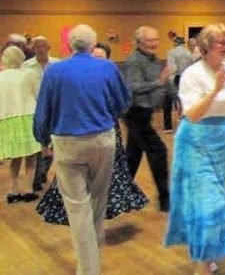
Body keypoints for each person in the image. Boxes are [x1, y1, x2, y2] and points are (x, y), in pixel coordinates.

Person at [34, 24, 131, 275]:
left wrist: (42, 140)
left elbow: (43, 110)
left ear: (69, 46)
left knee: (77, 206)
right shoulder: (107, 67)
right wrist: (106, 114)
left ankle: (88, 267)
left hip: (67, 143)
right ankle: (93, 251)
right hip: (102, 139)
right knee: (98, 197)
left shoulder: (54, 71)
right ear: (92, 44)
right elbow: (123, 101)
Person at [164, 24, 225, 275]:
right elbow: (191, 114)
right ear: (205, 47)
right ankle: (201, 266)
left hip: (223, 139)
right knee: (207, 205)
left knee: (222, 203)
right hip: (196, 142)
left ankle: (207, 255)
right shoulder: (193, 74)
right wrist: (216, 89)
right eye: (221, 43)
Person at [36, 42, 149, 225]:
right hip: (77, 132)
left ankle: (103, 209)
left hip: (106, 129)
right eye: (94, 55)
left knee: (111, 171)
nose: (95, 60)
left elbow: (122, 101)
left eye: (100, 57)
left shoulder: (110, 76)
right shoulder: (74, 77)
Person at [122, 26, 171, 211]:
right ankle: (165, 199)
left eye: (156, 39)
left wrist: (176, 95)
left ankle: (121, 195)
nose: (154, 44)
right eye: (150, 41)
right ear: (139, 42)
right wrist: (158, 82)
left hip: (144, 113)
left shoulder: (154, 59)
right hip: (135, 113)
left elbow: (164, 81)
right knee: (158, 151)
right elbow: (133, 87)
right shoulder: (134, 61)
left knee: (132, 156)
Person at [0, 46, 40, 204]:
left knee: (15, 157)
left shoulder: (1, 76)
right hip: (28, 115)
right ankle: (28, 189)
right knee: (31, 156)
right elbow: (37, 95)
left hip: (8, 118)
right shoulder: (30, 74)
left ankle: (13, 189)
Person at [20, 36, 60, 192]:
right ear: (33, 49)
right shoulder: (26, 66)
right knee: (39, 144)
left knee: (53, 144)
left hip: (55, 109)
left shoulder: (58, 64)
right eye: (37, 46)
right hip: (34, 109)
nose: (41, 49)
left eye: (44, 46)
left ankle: (42, 172)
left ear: (49, 47)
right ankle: (37, 178)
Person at [165, 36, 193, 132]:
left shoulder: (171, 52)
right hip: (186, 77)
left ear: (175, 43)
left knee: (167, 102)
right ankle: (186, 122)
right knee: (186, 100)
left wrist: (169, 81)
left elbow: (172, 67)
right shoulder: (189, 53)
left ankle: (168, 126)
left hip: (175, 77)